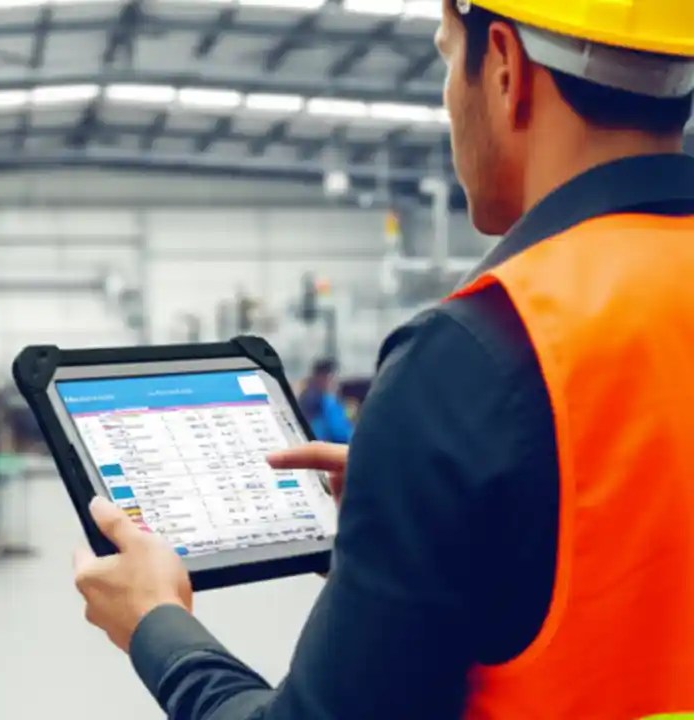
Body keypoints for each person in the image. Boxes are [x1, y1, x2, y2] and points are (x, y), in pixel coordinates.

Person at [70, 1, 694, 717]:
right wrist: (417, 532)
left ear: (503, 67)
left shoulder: (478, 355)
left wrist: (158, 624)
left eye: (443, 56)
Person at [295, 359, 352, 444]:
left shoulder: (329, 400)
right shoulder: (320, 400)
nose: (336, 382)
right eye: (333, 377)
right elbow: (339, 432)